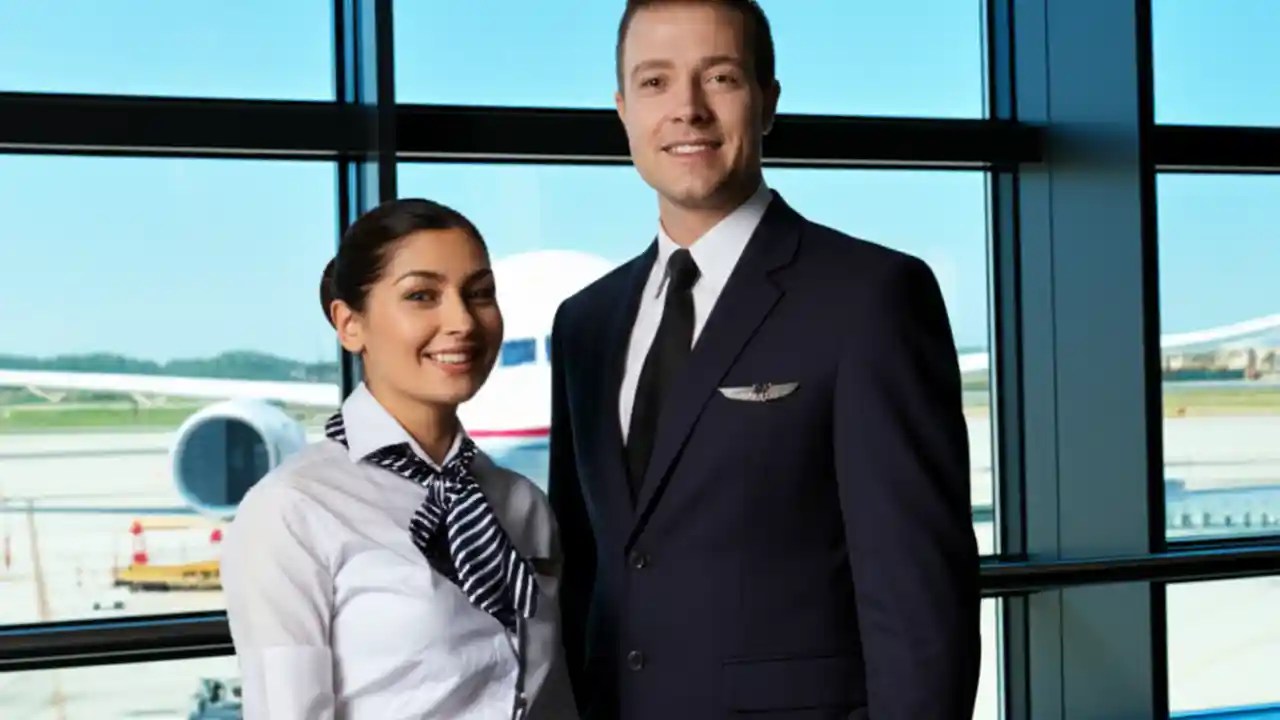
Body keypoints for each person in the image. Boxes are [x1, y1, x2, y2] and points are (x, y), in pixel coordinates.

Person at [547, 1, 982, 718]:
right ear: (622, 110)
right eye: (655, 83)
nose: (686, 109)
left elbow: (919, 602)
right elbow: (588, 574)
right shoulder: (584, 325)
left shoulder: (869, 297)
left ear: (768, 100)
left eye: (719, 77)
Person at [221, 199, 577, 719]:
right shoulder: (292, 510)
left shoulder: (521, 505)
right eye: (421, 295)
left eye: (479, 294)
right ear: (349, 325)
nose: (462, 321)